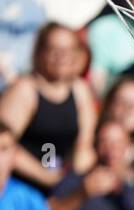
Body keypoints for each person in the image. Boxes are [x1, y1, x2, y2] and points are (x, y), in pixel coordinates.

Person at [0, 23, 96, 193]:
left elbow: (84, 146)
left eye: (67, 50)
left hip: (61, 184)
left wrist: (74, 173)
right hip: (21, 185)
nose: (61, 57)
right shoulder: (24, 89)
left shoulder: (80, 90)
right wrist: (46, 176)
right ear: (40, 52)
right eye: (53, 49)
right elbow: (4, 144)